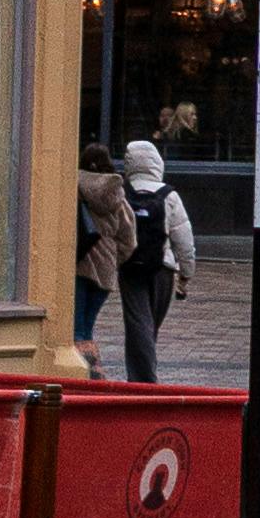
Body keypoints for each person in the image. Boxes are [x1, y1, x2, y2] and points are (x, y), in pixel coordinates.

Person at [113, 135, 172, 387]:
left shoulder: (123, 193)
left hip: (131, 266)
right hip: (163, 267)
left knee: (138, 322)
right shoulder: (169, 195)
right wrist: (187, 271)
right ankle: (145, 376)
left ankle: (141, 377)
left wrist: (120, 256)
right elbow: (183, 237)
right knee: (151, 323)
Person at [74, 149, 138, 375]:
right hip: (106, 267)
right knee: (88, 325)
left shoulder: (74, 186)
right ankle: (92, 370)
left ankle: (82, 372)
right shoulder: (117, 197)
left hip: (80, 262)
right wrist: (113, 257)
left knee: (76, 327)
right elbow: (129, 240)